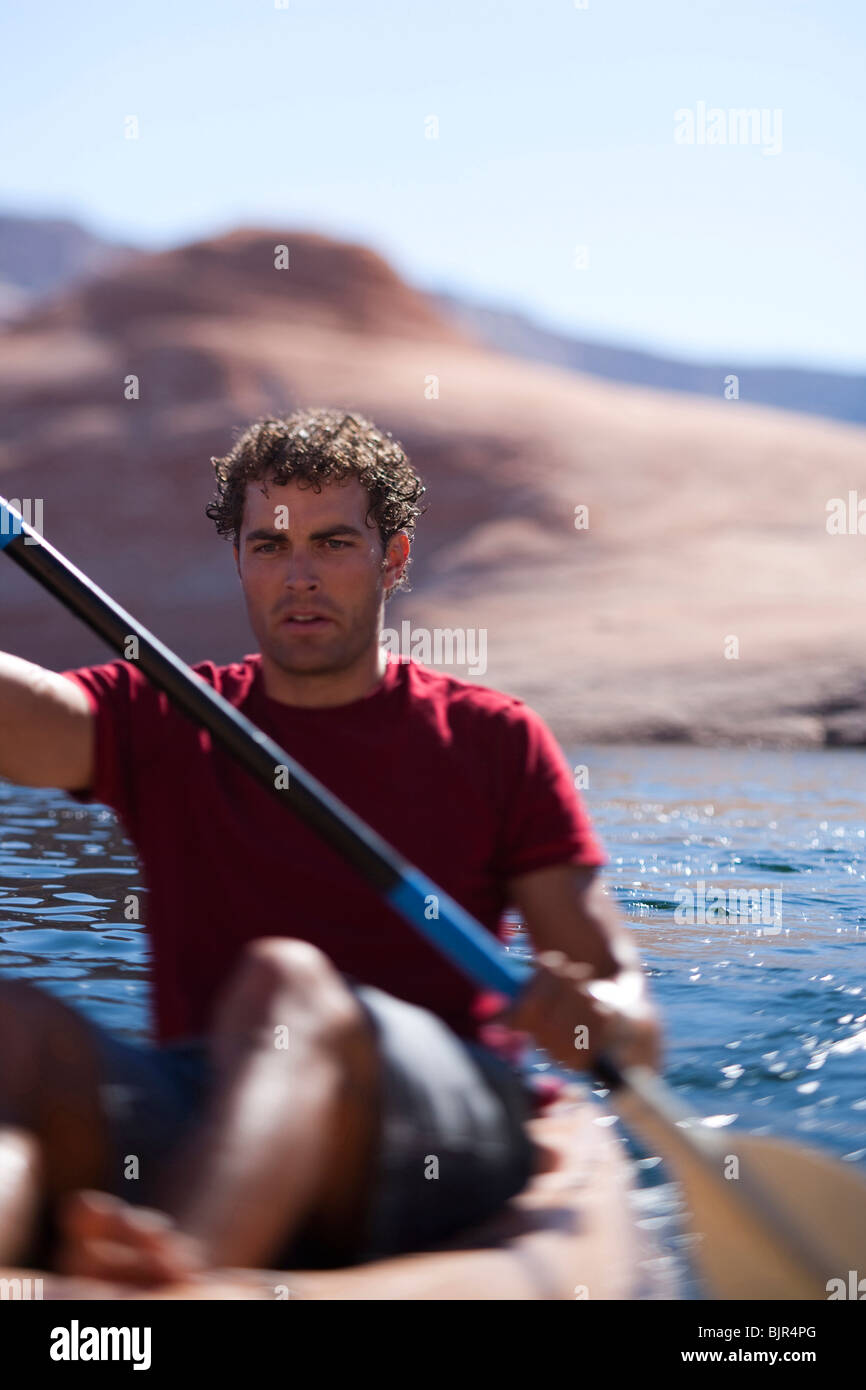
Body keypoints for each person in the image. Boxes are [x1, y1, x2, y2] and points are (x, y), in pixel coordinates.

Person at [0, 407, 661, 1285]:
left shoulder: (494, 737)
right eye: (269, 547)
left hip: (439, 1116)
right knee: (17, 1025)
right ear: (238, 560)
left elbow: (626, 1009)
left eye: (334, 543)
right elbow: (26, 717)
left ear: (394, 558)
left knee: (289, 984)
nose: (299, 577)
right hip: (214, 1095)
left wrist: (601, 1013)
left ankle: (177, 1288)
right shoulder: (168, 712)